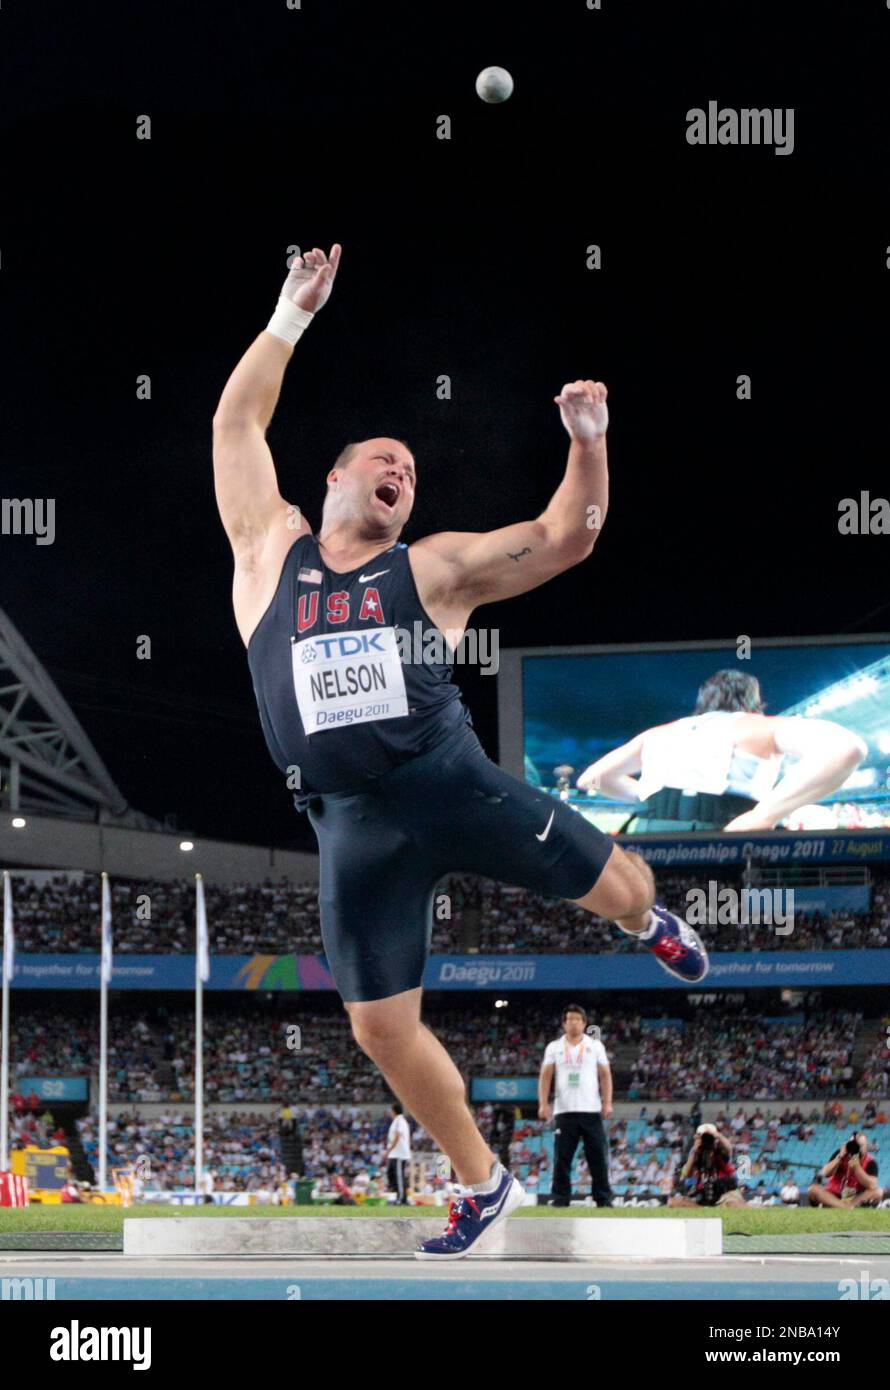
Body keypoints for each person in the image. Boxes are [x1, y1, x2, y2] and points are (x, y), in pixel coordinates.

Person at [212, 242, 708, 1260]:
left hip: (448, 784)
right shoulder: (268, 551)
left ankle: (644, 917)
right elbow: (234, 423)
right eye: (381, 459)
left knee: (612, 888)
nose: (401, 470)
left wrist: (588, 442)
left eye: (412, 468)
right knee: (375, 1025)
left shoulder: (431, 571)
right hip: (346, 823)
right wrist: (288, 314)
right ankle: (485, 1182)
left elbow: (564, 536)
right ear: (334, 476)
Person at [577, 670, 867, 832]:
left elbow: (591, 779)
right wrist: (764, 815)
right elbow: (847, 748)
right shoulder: (759, 726)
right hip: (727, 835)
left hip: (647, 837)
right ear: (754, 703)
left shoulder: (659, 733)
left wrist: (649, 796)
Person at [539, 1005, 613, 1207]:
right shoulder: (554, 1047)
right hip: (564, 1110)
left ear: (584, 1023)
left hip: (591, 1110)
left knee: (597, 1156)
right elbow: (545, 1076)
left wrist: (607, 1102)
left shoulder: (595, 1046)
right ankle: (561, 1198)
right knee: (562, 1158)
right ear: (564, 1024)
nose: (573, 1023)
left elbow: (605, 1074)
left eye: (577, 1019)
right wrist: (543, 1104)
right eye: (569, 1019)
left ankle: (603, 1198)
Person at [668, 1124, 745, 1207]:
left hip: (725, 1194)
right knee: (672, 1202)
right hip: (703, 1195)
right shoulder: (695, 1153)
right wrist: (695, 1151)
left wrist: (717, 1135)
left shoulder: (720, 1151)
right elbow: (687, 1173)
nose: (706, 1141)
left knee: (734, 1204)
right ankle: (706, 1210)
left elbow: (729, 1149)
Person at [808, 1132, 883, 1208]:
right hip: (834, 1194)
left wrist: (857, 1168)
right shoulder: (840, 1154)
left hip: (856, 1197)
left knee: (878, 1192)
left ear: (866, 1147)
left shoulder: (870, 1162)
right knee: (813, 1189)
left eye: (861, 1145)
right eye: (855, 1145)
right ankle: (844, 1206)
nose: (857, 1148)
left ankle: (842, 1206)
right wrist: (839, 1158)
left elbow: (872, 1185)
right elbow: (826, 1173)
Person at [385, 1102, 411, 1205]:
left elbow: (398, 1135)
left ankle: (401, 1198)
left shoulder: (399, 1120)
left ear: (394, 1111)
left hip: (399, 1153)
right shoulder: (397, 1120)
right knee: (391, 1174)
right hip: (395, 1153)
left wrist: (390, 1149)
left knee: (399, 1176)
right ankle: (399, 1194)